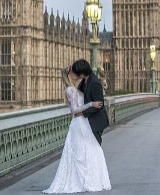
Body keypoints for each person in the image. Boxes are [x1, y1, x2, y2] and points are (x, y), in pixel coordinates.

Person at [43, 65, 112, 193]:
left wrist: (101, 83)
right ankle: (85, 181)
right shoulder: (71, 90)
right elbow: (74, 110)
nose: (78, 75)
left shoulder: (76, 88)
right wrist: (91, 104)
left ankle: (90, 180)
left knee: (88, 152)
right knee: (86, 152)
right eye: (75, 73)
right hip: (79, 124)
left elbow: (93, 89)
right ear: (70, 75)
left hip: (82, 123)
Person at [72, 59, 110, 145]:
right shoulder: (85, 80)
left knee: (95, 147)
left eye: (78, 73)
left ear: (82, 72)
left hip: (96, 121)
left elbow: (100, 104)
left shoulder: (94, 82)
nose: (77, 75)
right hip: (90, 120)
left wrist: (82, 113)